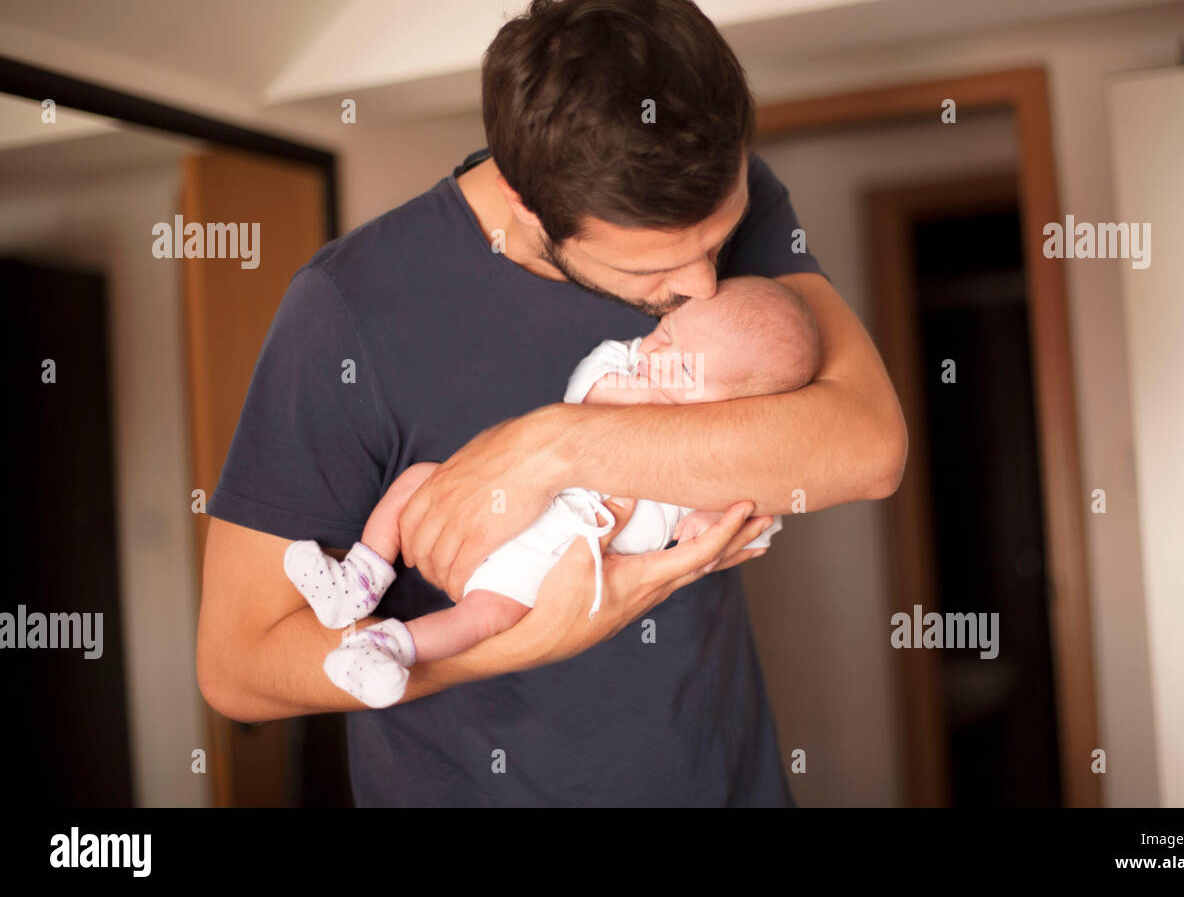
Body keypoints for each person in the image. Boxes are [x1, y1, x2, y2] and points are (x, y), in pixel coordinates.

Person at [197, 0, 906, 807]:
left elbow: (868, 447)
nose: (707, 286)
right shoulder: (346, 310)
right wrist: (513, 644)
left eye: (721, 239)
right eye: (655, 268)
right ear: (525, 205)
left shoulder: (707, 195)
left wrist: (547, 447)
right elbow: (237, 668)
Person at [281, 276, 821, 709]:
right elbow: (587, 390)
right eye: (666, 331)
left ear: (734, 410)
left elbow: (758, 508)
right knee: (418, 478)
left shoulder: (719, 457)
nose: (657, 353)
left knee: (483, 618)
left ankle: (382, 648)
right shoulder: (629, 363)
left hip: (554, 565)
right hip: (508, 502)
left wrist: (709, 515)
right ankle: (360, 578)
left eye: (682, 366)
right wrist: (649, 389)